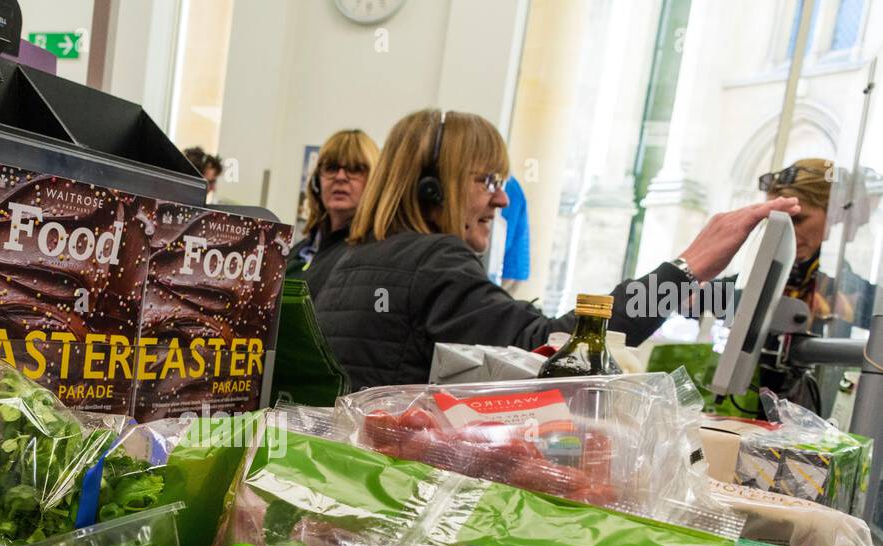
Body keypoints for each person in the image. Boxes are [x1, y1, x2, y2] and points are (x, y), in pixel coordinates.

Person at [313, 109, 800, 390]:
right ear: (430, 189)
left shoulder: (350, 257)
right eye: (486, 180)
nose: (501, 198)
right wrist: (685, 269)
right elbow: (561, 350)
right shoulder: (433, 260)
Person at [761, 159, 875, 325]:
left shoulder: (849, 290)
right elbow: (717, 300)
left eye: (798, 220)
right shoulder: (763, 271)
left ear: (833, 215)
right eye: (774, 222)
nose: (784, 233)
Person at [285, 129, 379, 298]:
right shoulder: (298, 252)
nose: (340, 177)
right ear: (316, 181)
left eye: (355, 169)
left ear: (374, 181)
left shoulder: (378, 251)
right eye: (331, 168)